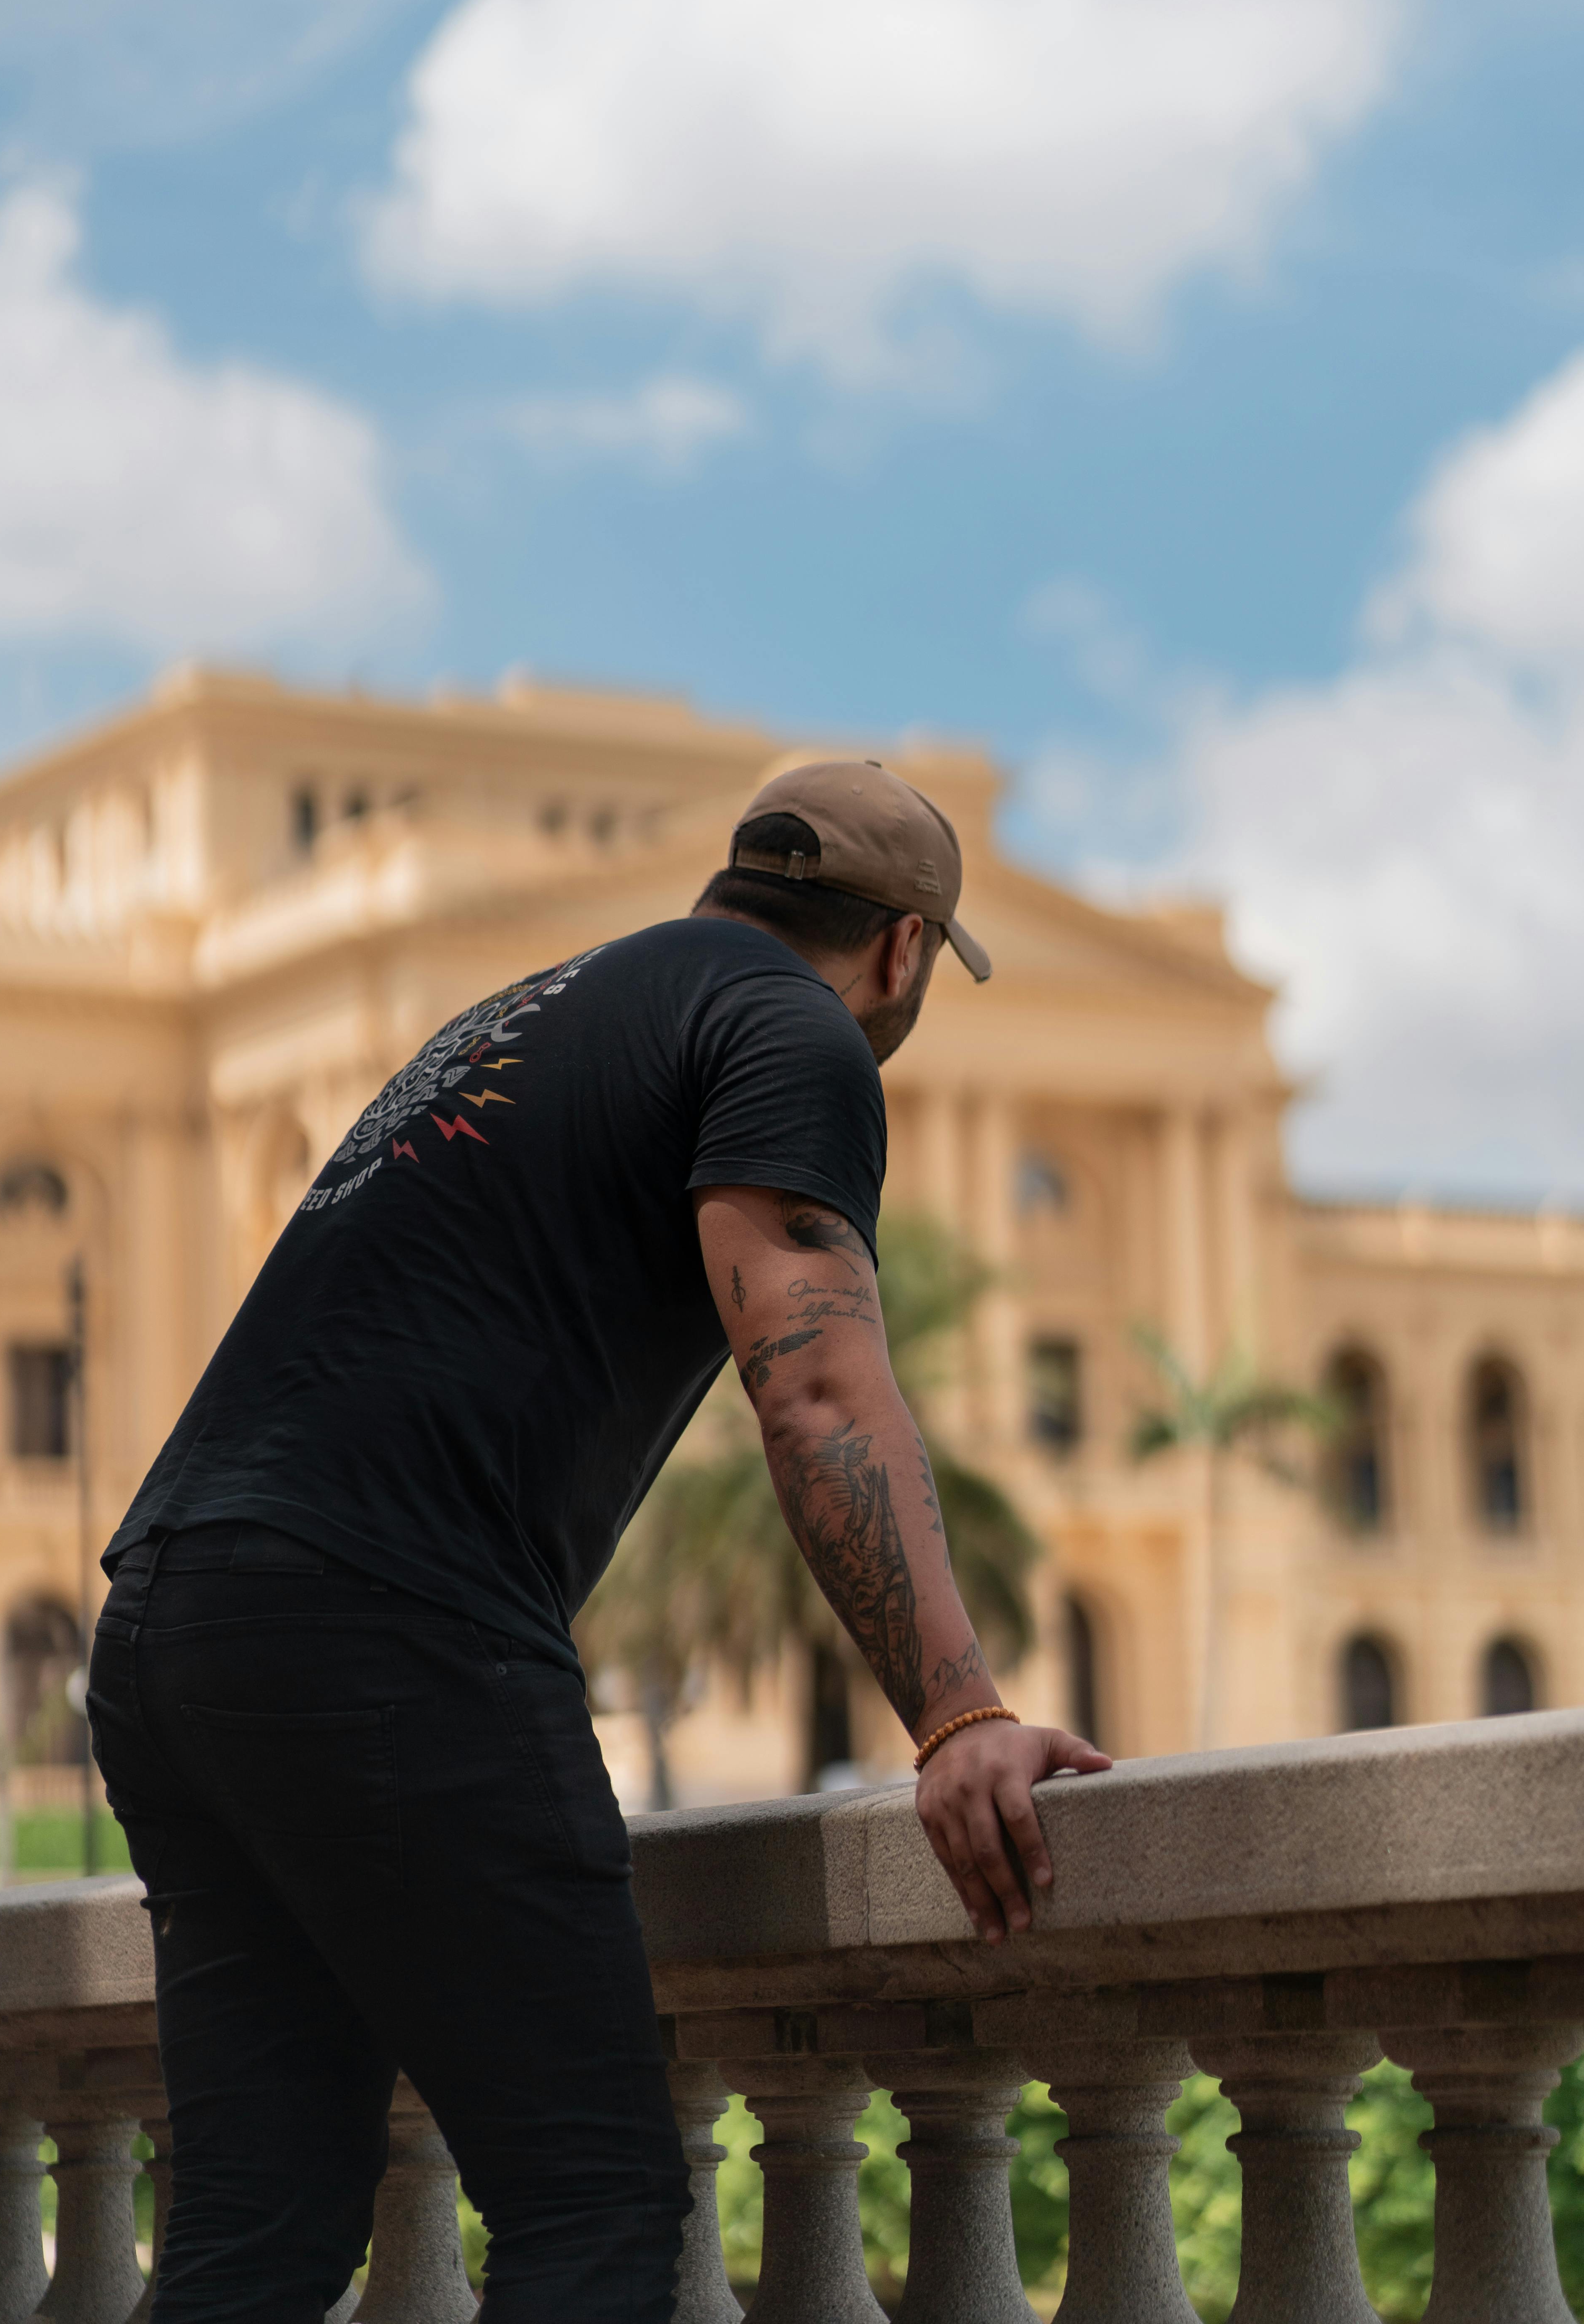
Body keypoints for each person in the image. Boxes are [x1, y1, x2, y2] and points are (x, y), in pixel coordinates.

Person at [89, 757, 1112, 2324]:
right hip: (389, 1624)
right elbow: (821, 1390)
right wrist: (960, 1713)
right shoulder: (796, 1032)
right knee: (595, 2211)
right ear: (904, 950)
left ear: (733, 888)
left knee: (256, 2228)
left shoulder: (530, 1015)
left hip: (177, 1620)